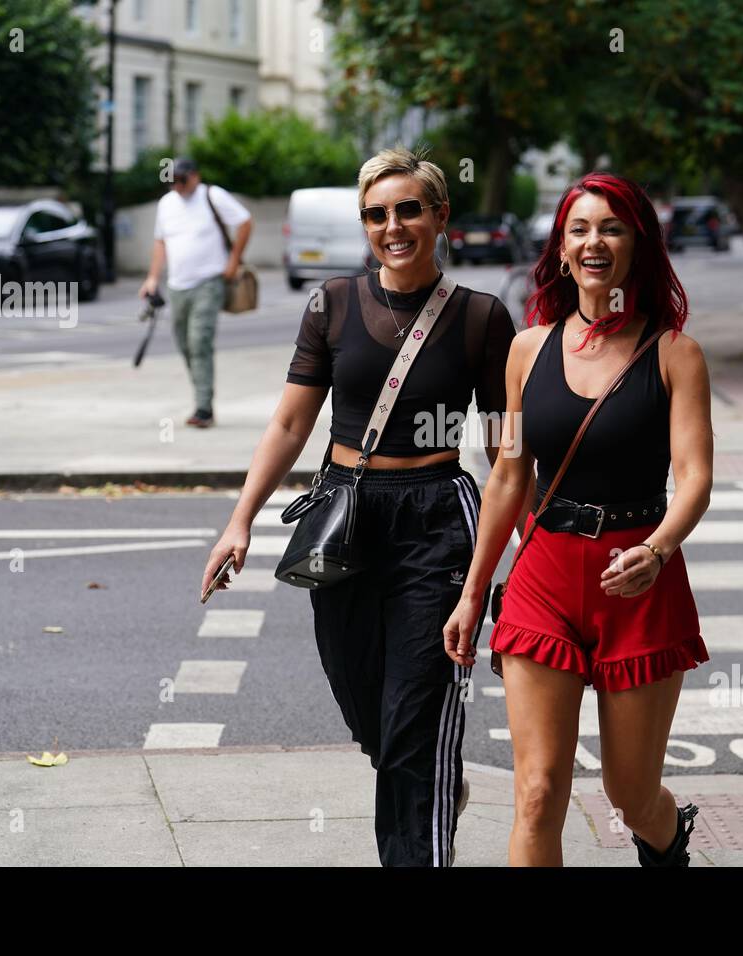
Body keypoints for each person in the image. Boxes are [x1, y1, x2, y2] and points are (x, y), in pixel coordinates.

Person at [200, 145, 530, 866]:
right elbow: (291, 423)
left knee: (414, 724)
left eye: (409, 209)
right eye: (376, 215)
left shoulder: (480, 318)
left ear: (440, 216)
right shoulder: (334, 304)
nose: (393, 226)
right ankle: (432, 784)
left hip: (437, 521)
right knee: (368, 708)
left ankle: (422, 819)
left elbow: (509, 452)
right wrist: (239, 520)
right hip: (342, 518)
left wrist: (522, 556)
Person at [442, 172, 713, 867]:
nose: (595, 242)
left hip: (640, 581)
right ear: (561, 250)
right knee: (536, 794)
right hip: (545, 575)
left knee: (629, 792)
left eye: (613, 227)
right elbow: (508, 475)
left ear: (639, 246)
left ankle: (665, 834)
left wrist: (657, 549)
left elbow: (696, 480)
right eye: (579, 229)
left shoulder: (676, 354)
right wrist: (474, 592)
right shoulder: (528, 350)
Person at [140, 156, 252, 428]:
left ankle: (204, 407)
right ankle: (201, 394)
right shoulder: (166, 204)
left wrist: (234, 260)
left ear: (195, 176)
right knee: (183, 343)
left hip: (209, 282)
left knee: (199, 341)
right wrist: (152, 278)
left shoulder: (212, 195)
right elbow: (160, 242)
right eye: (172, 182)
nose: (177, 187)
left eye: (181, 180)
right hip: (177, 285)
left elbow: (245, 222)